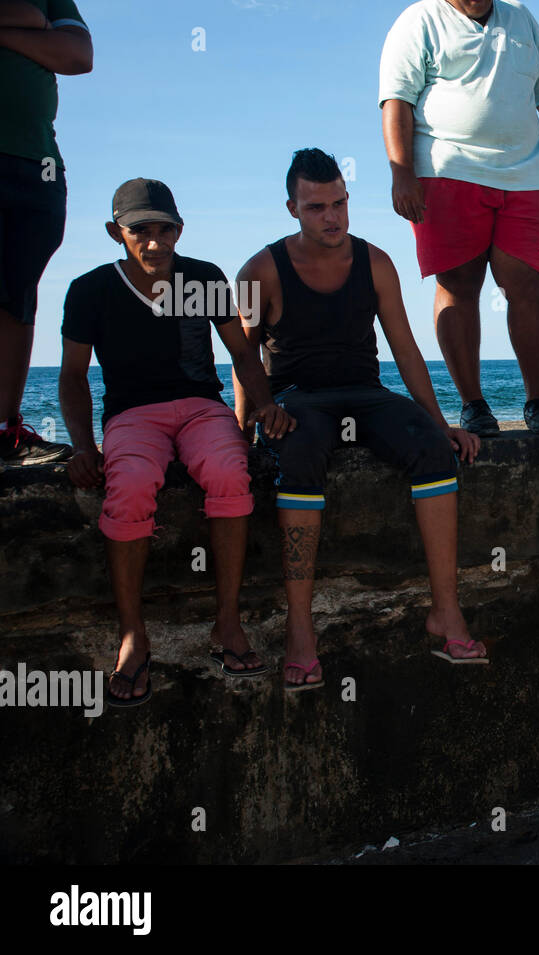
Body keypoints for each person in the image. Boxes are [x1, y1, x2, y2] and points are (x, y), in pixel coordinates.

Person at [233, 148, 484, 690]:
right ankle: (302, 631)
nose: (333, 217)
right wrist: (242, 428)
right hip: (299, 399)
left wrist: (440, 422)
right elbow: (243, 356)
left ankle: (446, 611)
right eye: (317, 206)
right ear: (292, 209)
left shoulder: (374, 262)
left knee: (432, 451)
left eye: (340, 203)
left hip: (365, 394)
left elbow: (407, 350)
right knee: (299, 459)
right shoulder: (260, 270)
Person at [58, 178, 294, 705]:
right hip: (132, 415)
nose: (155, 242)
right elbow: (73, 377)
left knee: (231, 473)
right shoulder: (90, 290)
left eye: (166, 229)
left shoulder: (203, 277)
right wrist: (80, 446)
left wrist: (264, 405)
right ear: (116, 233)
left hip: (200, 409)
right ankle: (132, 636)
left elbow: (241, 352)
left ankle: (227, 624)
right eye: (140, 230)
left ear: (180, 230)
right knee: (131, 486)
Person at [379, 0, 539, 436]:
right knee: (458, 284)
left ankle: (538, 403)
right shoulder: (418, 20)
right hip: (446, 171)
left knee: (530, 281)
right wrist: (401, 172)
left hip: (528, 173)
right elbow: (396, 102)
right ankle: (473, 404)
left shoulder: (522, 18)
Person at [0, 0, 92, 465]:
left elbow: (77, 57)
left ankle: (5, 429)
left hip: (37, 164)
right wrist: (31, 26)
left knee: (19, 294)